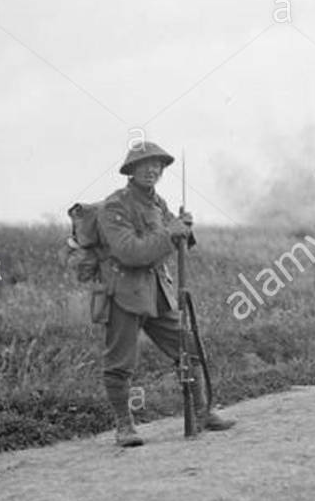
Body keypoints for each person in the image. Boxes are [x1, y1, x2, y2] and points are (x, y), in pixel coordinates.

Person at [96, 141, 235, 446]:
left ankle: (202, 411)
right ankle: (124, 427)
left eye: (157, 165)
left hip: (159, 291)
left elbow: (174, 238)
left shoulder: (158, 203)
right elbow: (130, 252)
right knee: (120, 363)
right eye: (144, 165)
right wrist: (170, 232)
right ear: (130, 171)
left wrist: (185, 229)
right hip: (124, 293)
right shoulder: (115, 206)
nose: (152, 170)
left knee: (189, 347)